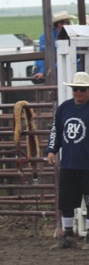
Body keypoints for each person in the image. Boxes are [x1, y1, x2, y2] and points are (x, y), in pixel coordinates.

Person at [46, 71, 89, 250]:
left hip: (87, 163)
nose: (78, 92)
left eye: (82, 89)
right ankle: (68, 234)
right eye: (75, 89)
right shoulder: (64, 108)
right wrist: (52, 150)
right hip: (69, 162)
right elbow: (56, 130)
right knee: (66, 200)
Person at [33, 10, 78, 83]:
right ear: (60, 24)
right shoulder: (46, 37)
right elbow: (43, 54)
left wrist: (54, 67)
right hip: (54, 69)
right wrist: (42, 71)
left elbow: (75, 54)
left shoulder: (71, 35)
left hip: (65, 67)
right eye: (68, 22)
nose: (70, 24)